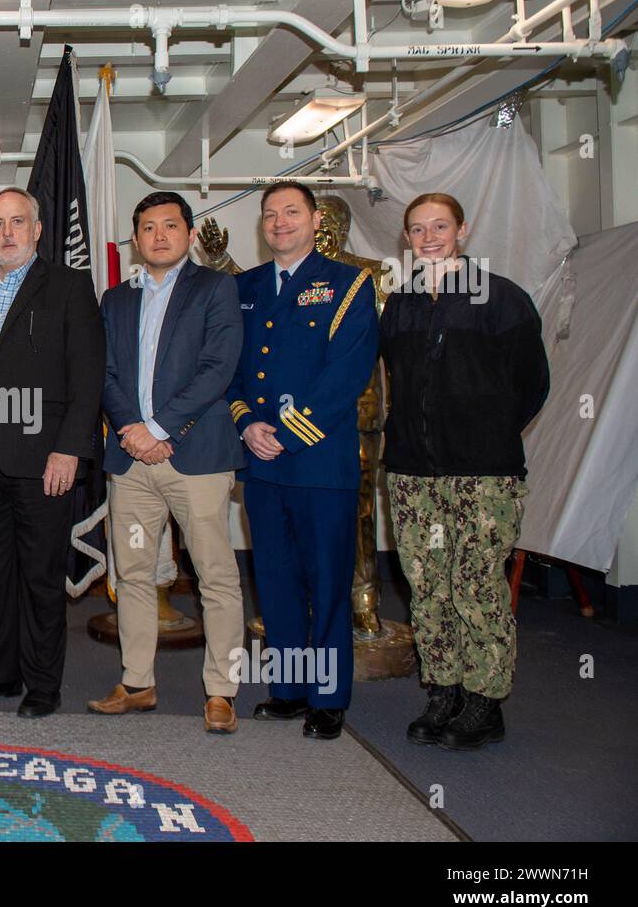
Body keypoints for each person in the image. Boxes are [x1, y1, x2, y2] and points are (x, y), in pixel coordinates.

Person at [381, 192, 549, 751]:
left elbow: (532, 385)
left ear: (463, 230)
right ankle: (444, 691)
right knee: (427, 586)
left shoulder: (502, 299)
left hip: (481, 475)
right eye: (417, 229)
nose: (429, 237)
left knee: (476, 586)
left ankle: (485, 700)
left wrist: (485, 431)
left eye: (440, 226)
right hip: (411, 476)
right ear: (406, 238)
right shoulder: (400, 305)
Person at [0, 187, 105, 719]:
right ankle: (0, 673)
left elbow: (87, 379)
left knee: (39, 575)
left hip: (45, 461)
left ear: (37, 230)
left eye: (18, 222)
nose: (7, 233)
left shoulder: (68, 287)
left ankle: (42, 685)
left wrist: (69, 450)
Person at [227, 181, 378, 740]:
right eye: (270, 214)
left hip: (319, 463)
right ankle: (289, 689)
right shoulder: (243, 288)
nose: (280, 222)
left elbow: (347, 375)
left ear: (316, 221)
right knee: (276, 580)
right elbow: (232, 371)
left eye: (292, 212)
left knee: (327, 581)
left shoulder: (348, 284)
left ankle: (329, 697)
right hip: (262, 466)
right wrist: (245, 422)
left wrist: (285, 434)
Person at [91, 191, 246, 733]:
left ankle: (221, 692)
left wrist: (157, 429)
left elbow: (217, 369)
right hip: (132, 463)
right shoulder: (115, 299)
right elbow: (103, 372)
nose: (159, 236)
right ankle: (137, 683)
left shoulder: (217, 288)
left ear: (188, 233)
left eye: (170, 226)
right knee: (133, 573)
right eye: (148, 227)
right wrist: (134, 431)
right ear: (135, 239)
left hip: (195, 458)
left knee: (215, 575)